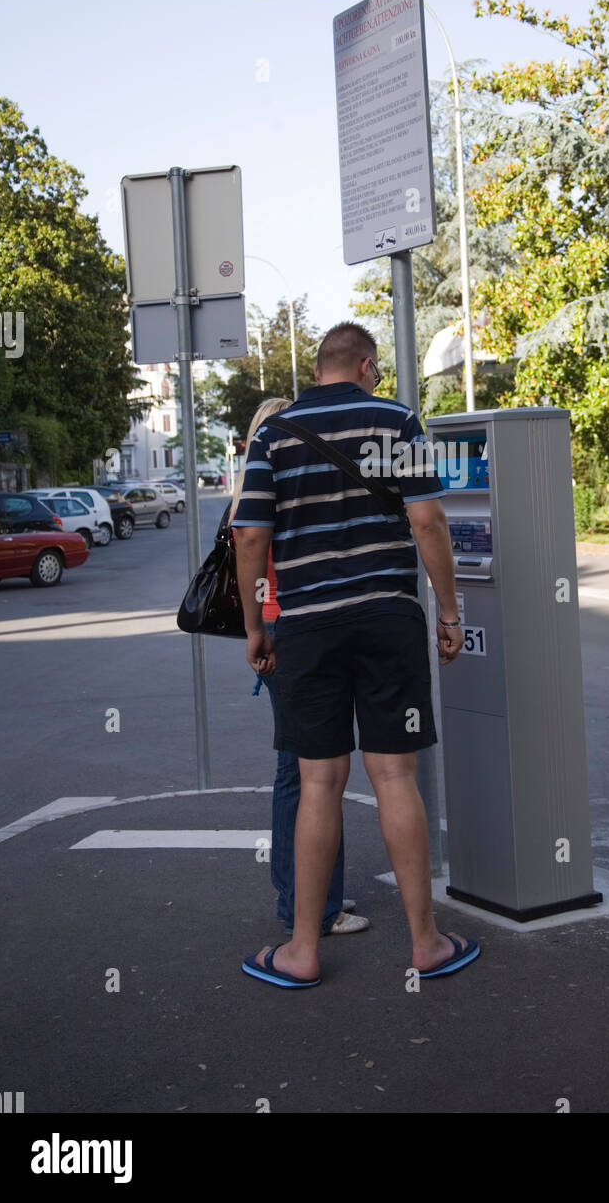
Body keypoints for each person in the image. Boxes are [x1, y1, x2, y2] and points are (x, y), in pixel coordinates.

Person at [233, 321, 480, 988]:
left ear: (319, 368)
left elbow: (250, 537)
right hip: (386, 620)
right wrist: (449, 612)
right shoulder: (396, 419)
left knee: (318, 782)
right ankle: (425, 944)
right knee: (394, 778)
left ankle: (302, 952)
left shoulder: (274, 434)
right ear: (367, 366)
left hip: (307, 627)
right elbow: (428, 522)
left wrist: (257, 624)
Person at [230, 396, 368, 939]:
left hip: (276, 629)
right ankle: (310, 907)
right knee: (310, 776)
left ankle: (306, 894)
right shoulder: (289, 492)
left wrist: (255, 626)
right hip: (295, 629)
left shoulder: (253, 493)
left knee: (301, 772)